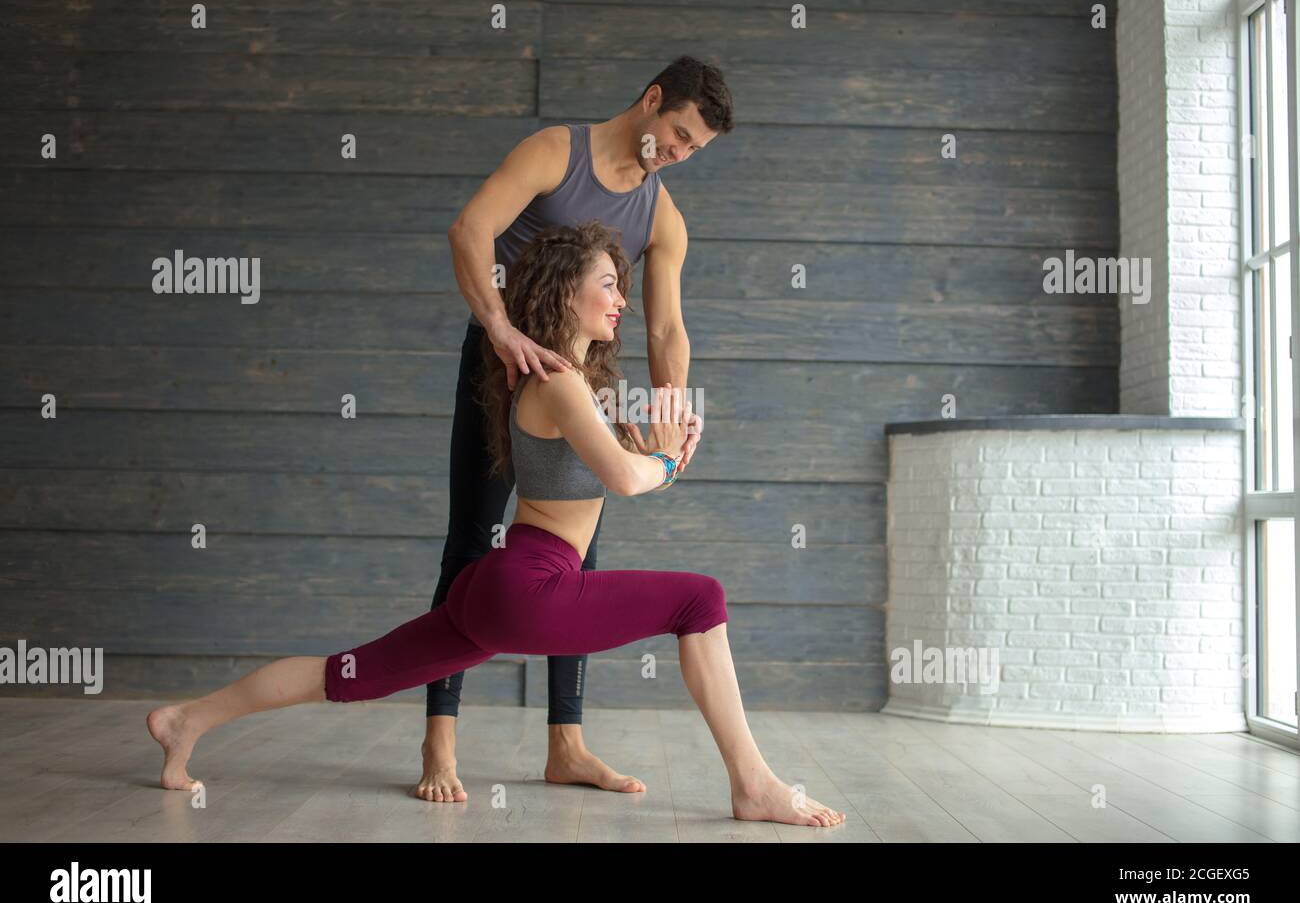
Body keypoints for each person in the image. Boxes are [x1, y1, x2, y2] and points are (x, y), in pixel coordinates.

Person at [146, 223, 845, 828]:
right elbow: (631, 481)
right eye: (608, 283)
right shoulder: (562, 385)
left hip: (494, 591)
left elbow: (632, 466)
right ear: (566, 290)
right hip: (528, 588)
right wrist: (660, 461)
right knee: (702, 599)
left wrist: (667, 449)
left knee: (347, 672)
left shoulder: (570, 384)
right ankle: (752, 784)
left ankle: (188, 720)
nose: (623, 300)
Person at [426, 54, 734, 801]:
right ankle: (440, 744)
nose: (680, 155)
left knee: (579, 554)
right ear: (652, 99)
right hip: (500, 368)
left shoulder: (662, 217)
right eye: (679, 134)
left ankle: (566, 743)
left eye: (696, 150)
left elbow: (666, 331)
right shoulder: (554, 153)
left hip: (578, 382)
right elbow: (470, 231)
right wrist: (500, 330)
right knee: (472, 537)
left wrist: (671, 416)